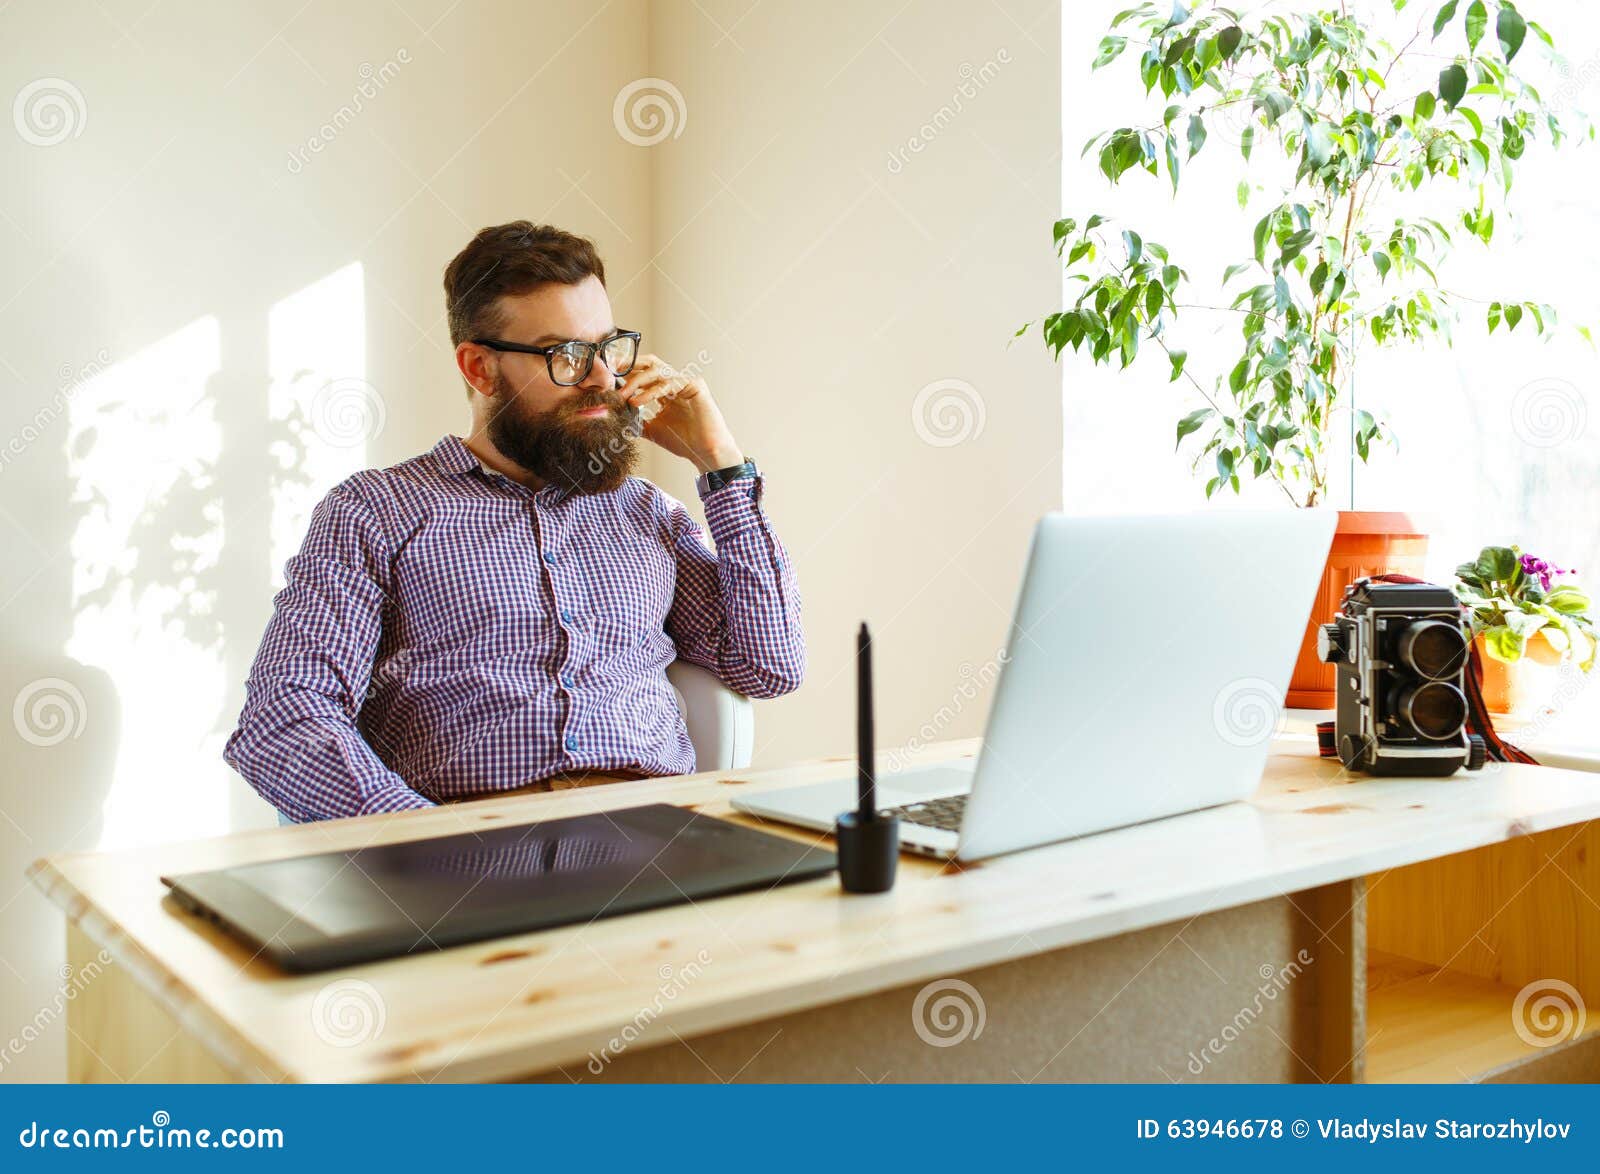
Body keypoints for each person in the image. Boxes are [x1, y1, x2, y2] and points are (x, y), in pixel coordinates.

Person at [224, 222, 804, 822]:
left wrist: (722, 465)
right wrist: (425, 840)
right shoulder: (375, 511)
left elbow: (768, 665)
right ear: (478, 368)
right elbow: (284, 717)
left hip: (660, 833)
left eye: (608, 347)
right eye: (567, 356)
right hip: (476, 848)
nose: (604, 378)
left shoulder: (646, 513)